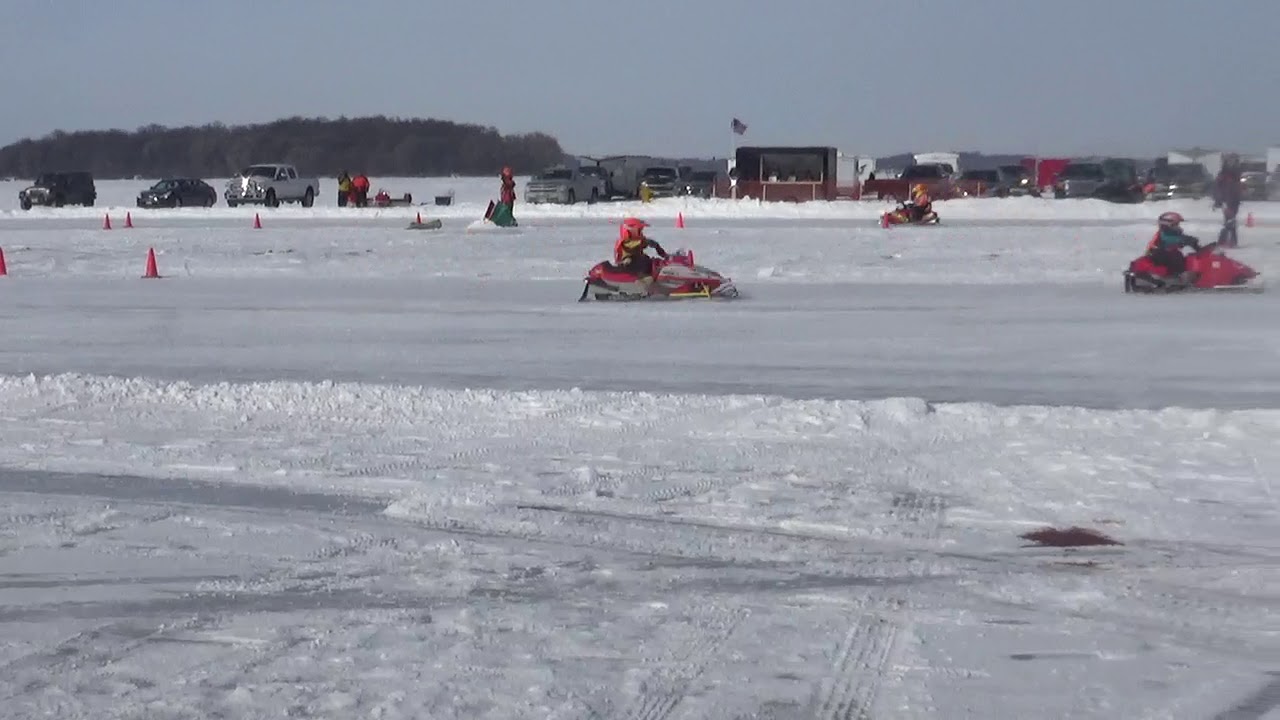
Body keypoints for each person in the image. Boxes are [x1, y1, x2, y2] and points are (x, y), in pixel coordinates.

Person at [1145, 211, 1202, 281]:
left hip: (1164, 256)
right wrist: (1183, 240)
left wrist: (1196, 244)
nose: (1178, 227)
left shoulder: (1172, 234)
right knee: (1176, 254)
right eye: (1176, 225)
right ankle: (1178, 275)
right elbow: (1171, 240)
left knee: (1190, 256)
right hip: (1158, 257)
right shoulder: (1163, 235)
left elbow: (1179, 238)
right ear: (1168, 224)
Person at [613, 217, 669, 285]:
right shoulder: (624, 241)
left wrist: (662, 252)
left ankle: (656, 277)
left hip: (636, 261)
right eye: (639, 230)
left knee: (652, 261)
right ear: (630, 230)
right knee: (642, 261)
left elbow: (641, 244)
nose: (641, 232)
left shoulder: (637, 240)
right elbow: (632, 246)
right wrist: (646, 242)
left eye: (641, 230)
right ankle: (642, 280)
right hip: (628, 263)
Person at [1214, 154, 1243, 247]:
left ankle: (1227, 241)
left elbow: (1237, 189)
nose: (1232, 162)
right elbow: (1218, 188)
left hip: (1233, 201)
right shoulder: (1224, 175)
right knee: (1229, 221)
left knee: (1230, 221)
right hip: (1227, 201)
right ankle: (1228, 241)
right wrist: (1219, 201)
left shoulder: (1235, 175)